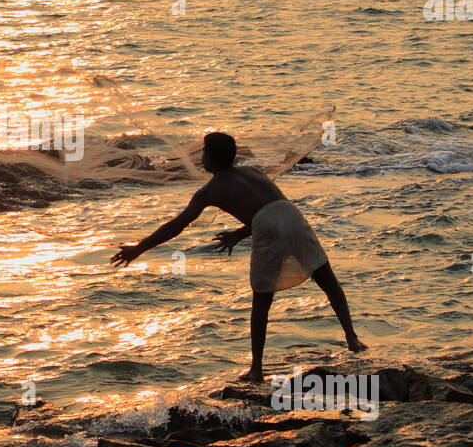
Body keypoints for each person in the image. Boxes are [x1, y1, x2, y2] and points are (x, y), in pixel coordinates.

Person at [111, 131, 366, 381]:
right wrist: (239, 234)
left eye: (203, 153)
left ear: (208, 160)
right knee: (327, 279)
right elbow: (271, 208)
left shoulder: (209, 191)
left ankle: (256, 369)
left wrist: (138, 249)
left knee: (262, 300)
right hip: (291, 213)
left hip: (265, 222)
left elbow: (175, 226)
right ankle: (352, 338)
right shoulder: (253, 171)